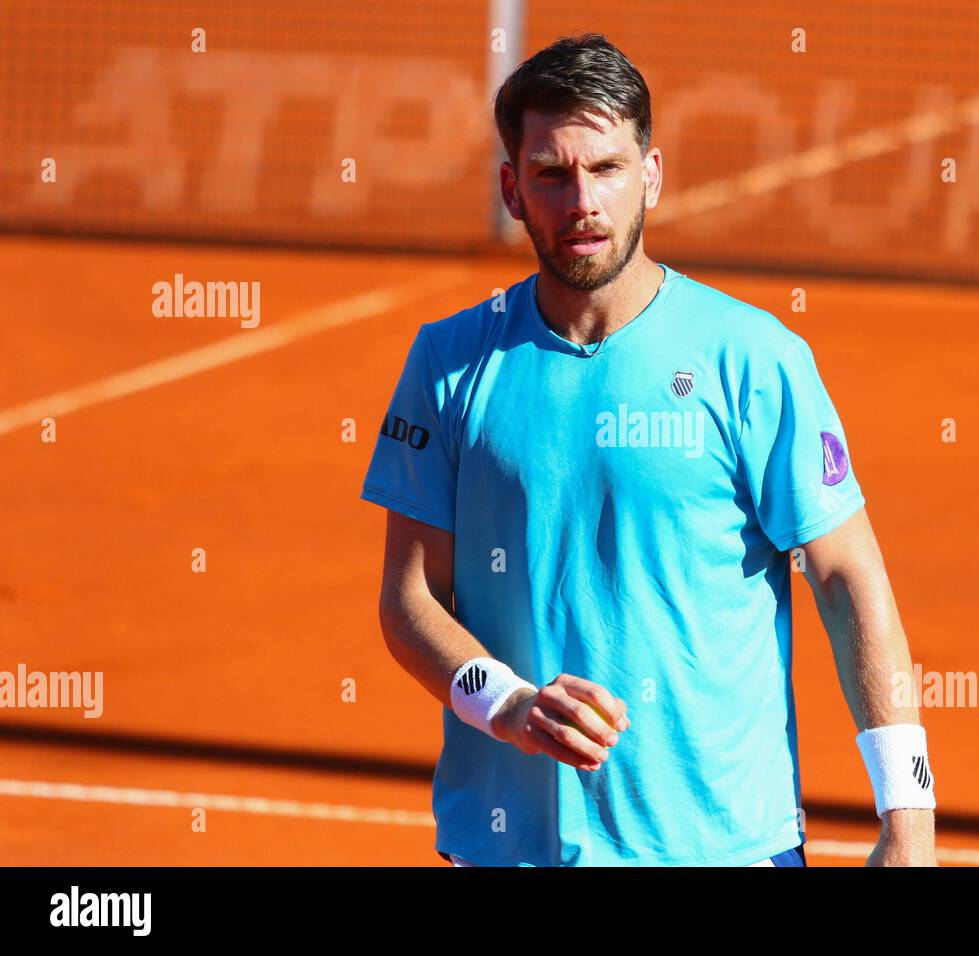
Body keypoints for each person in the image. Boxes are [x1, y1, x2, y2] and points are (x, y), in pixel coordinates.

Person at [361, 32, 937, 867]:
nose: (582, 201)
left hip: (725, 849)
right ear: (512, 190)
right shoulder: (449, 363)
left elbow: (848, 578)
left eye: (608, 169)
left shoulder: (752, 358)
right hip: (510, 850)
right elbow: (410, 602)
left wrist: (908, 816)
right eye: (552, 173)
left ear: (652, 177)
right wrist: (511, 705)